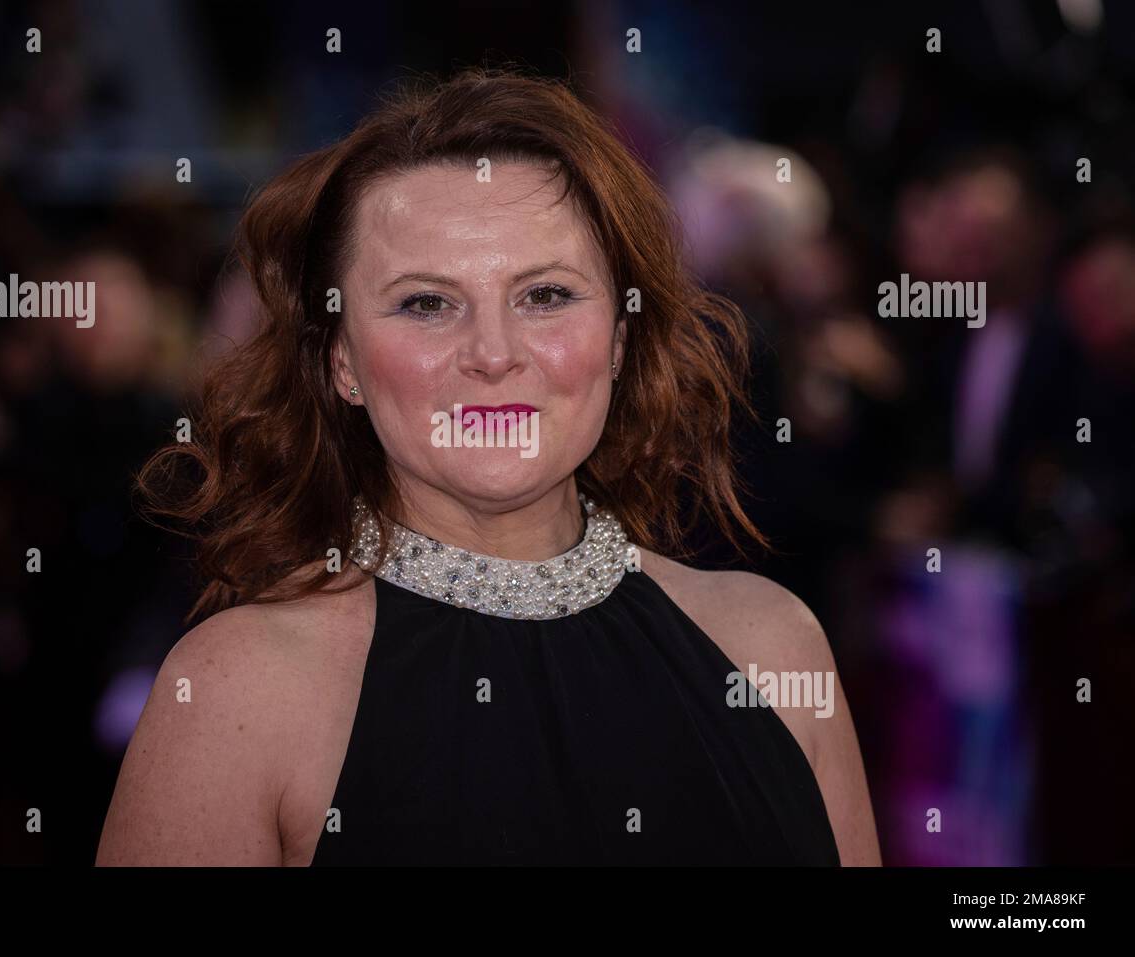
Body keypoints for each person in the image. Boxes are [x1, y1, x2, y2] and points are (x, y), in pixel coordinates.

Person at [95, 67, 880, 866]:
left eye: (544, 295)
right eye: (426, 303)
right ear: (342, 361)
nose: (494, 354)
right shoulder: (237, 692)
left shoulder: (775, 648)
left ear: (618, 337)